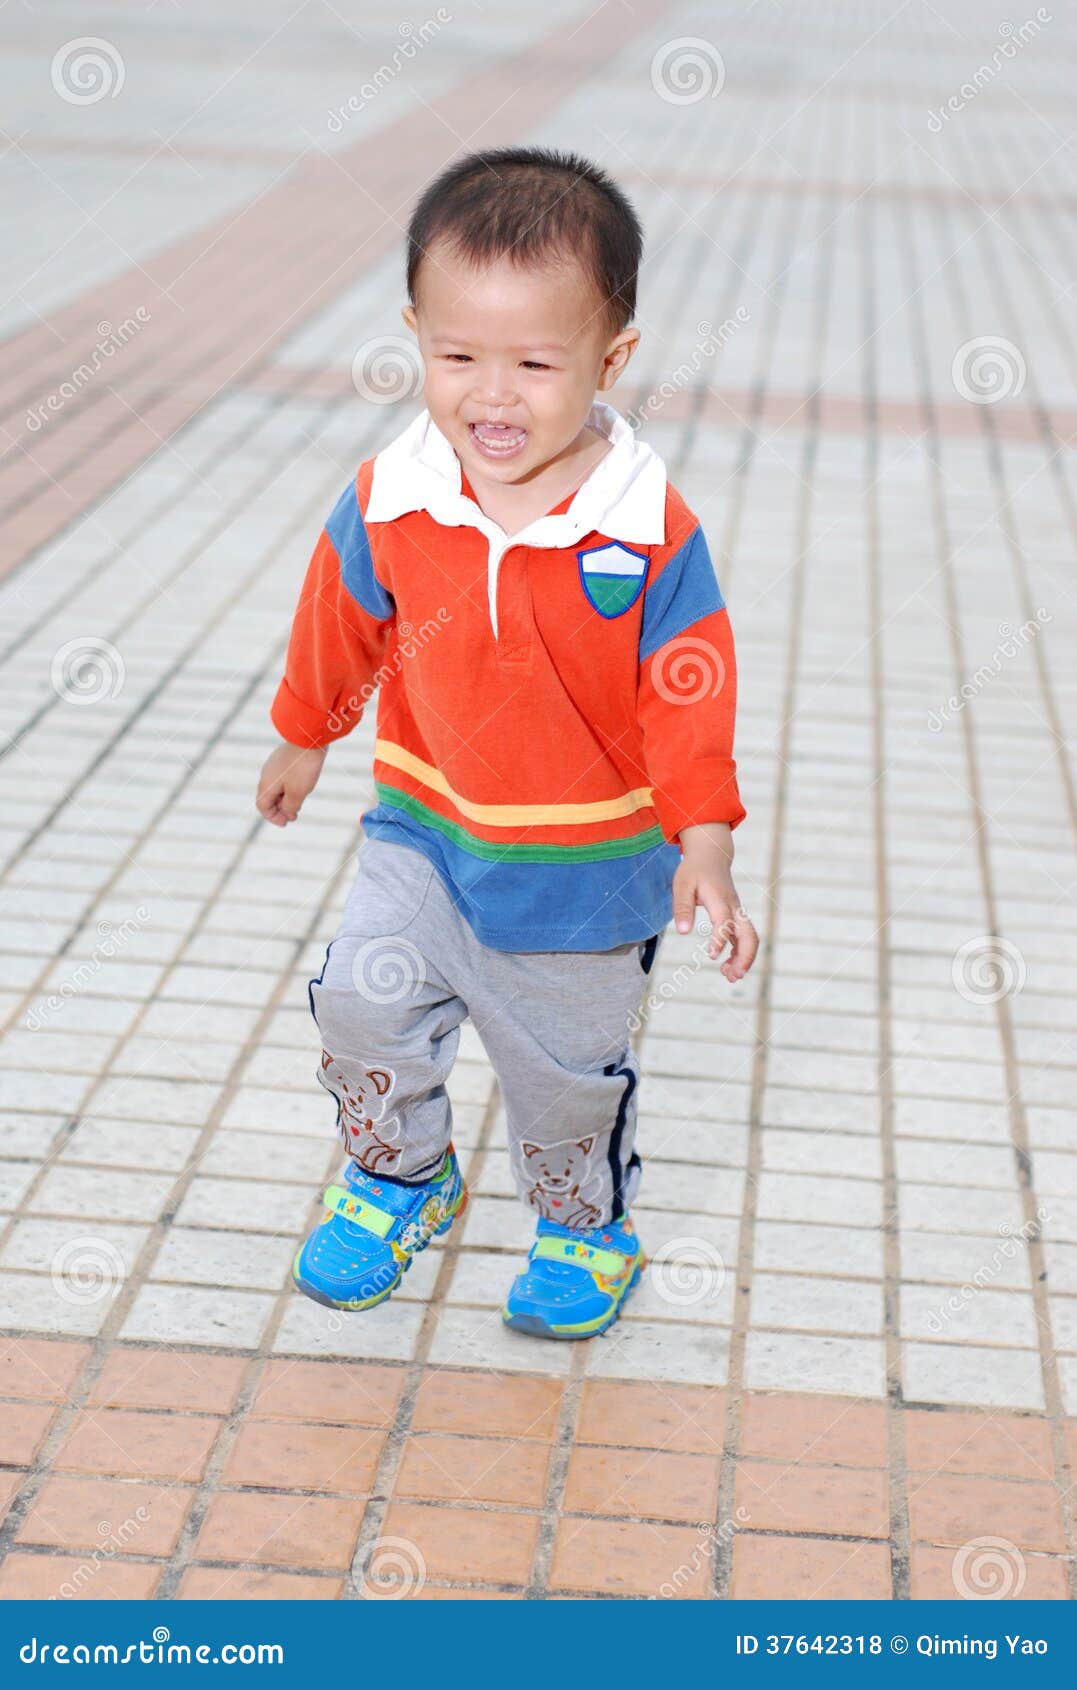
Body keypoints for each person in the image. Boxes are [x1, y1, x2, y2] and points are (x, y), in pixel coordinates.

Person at [256, 146, 758, 1341]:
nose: (493, 395)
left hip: (586, 883)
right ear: (415, 335)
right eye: (456, 357)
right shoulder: (393, 492)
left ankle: (587, 1229)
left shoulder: (643, 528)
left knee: (563, 1087)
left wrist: (706, 842)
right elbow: (341, 615)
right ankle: (398, 1176)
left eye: (536, 364)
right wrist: (304, 734)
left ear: (610, 358)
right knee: (358, 1006)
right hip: (423, 834)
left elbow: (691, 689)